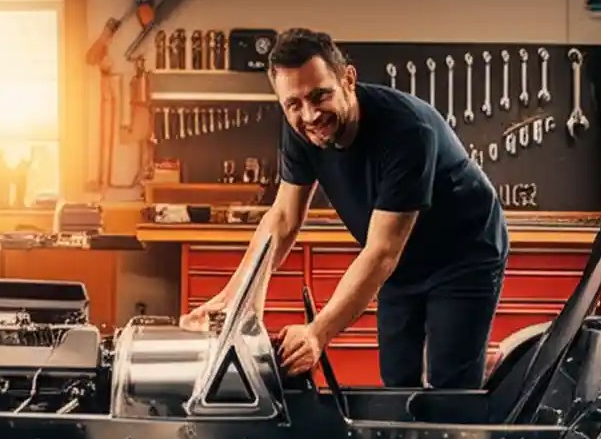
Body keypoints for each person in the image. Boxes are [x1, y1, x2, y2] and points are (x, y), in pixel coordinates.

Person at [179, 28, 509, 389]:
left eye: (320, 95)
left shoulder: (407, 131)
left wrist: (317, 333)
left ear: (348, 79)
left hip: (462, 253)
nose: (310, 114)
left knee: (451, 387)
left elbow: (382, 252)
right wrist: (241, 293)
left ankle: (476, 394)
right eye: (293, 104)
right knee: (399, 381)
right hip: (403, 261)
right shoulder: (301, 128)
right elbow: (285, 218)